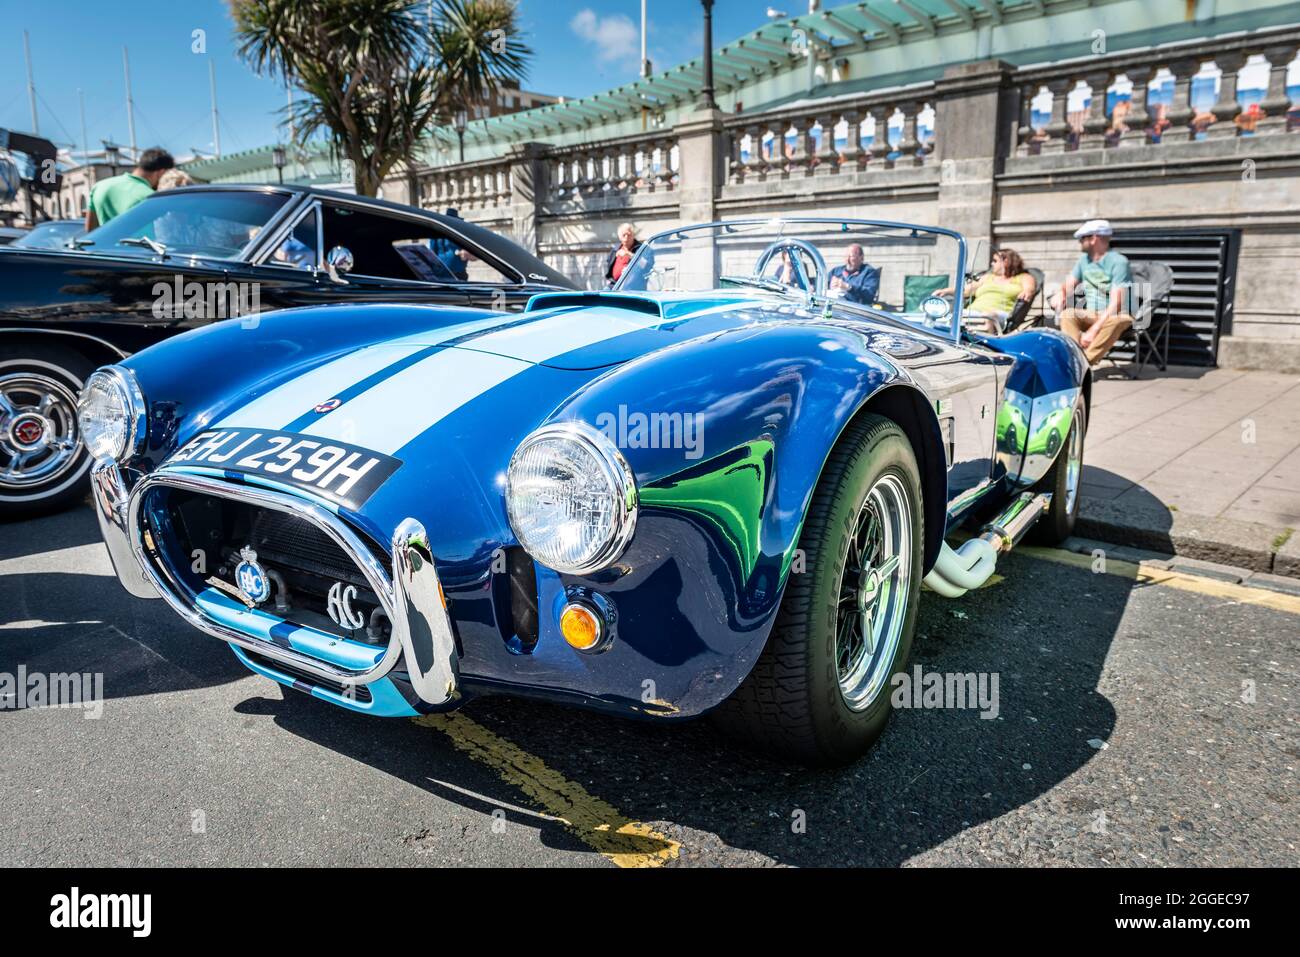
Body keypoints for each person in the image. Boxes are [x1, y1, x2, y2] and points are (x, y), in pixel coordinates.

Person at [1050, 219, 1134, 366]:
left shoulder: (1119, 262)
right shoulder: (1084, 261)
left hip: (1116, 313)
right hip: (1092, 313)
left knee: (1116, 320)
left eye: (1082, 238)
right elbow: (1070, 283)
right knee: (1068, 314)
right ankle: (1073, 357)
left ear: (1094, 238)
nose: (1080, 242)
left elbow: (1117, 304)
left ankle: (1082, 364)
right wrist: (1061, 293)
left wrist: (1093, 330)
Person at [940, 247, 1036, 335]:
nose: (992, 264)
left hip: (1000, 315)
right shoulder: (988, 277)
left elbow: (1030, 288)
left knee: (988, 315)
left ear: (1006, 261)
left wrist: (1027, 291)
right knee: (949, 314)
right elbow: (968, 290)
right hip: (972, 312)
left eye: (995, 261)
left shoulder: (1023, 277)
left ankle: (986, 342)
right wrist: (946, 290)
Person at [85, 147, 175, 230]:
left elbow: (90, 230)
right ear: (161, 172)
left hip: (104, 247)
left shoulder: (99, 186)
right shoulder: (150, 197)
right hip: (139, 247)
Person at [605, 222, 644, 287]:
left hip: (634, 286)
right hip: (614, 285)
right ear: (619, 236)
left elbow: (646, 265)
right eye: (624, 235)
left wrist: (629, 254)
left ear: (633, 235)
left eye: (629, 235)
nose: (626, 237)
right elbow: (609, 265)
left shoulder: (642, 248)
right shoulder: (615, 249)